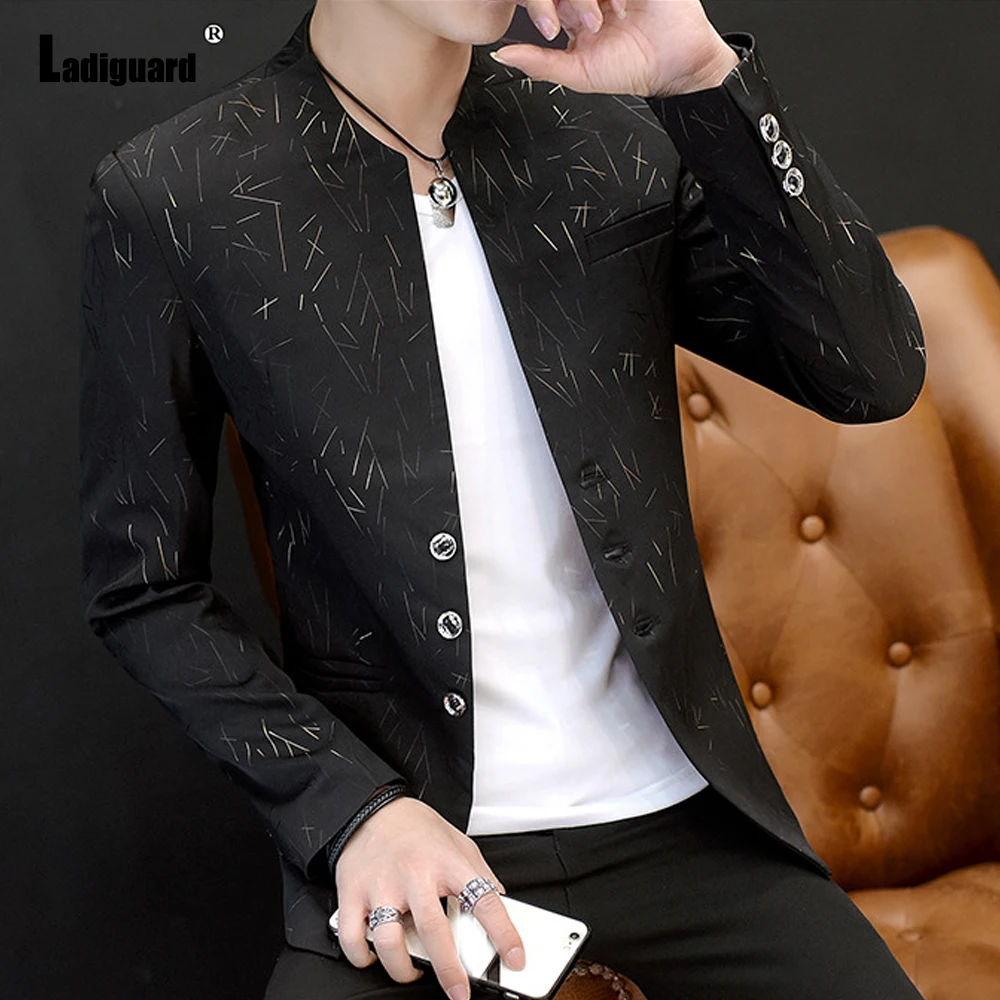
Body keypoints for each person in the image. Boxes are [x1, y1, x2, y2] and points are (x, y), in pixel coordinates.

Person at [77, 1, 928, 998]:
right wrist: (351, 809)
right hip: (417, 838)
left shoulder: (610, 134)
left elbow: (869, 374)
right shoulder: (178, 192)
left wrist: (705, 80)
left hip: (689, 823)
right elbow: (145, 588)